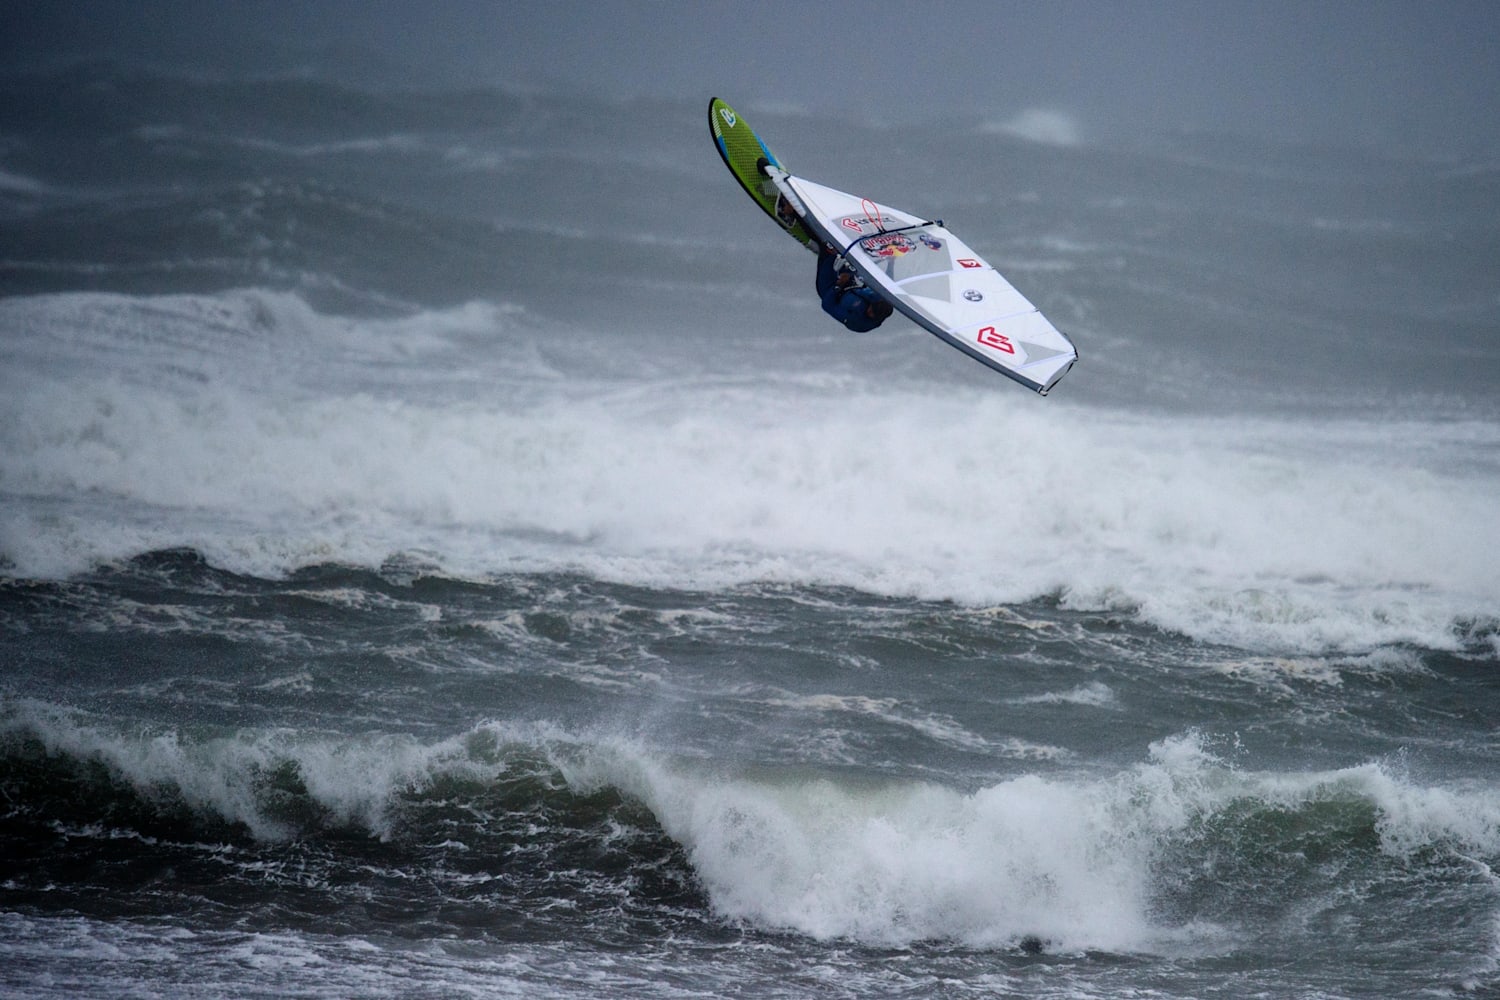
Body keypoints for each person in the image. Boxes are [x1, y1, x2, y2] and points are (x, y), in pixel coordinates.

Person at [815, 243, 894, 332]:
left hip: (829, 290)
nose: (869, 312)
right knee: (846, 252)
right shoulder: (880, 301)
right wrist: (891, 263)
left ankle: (815, 243)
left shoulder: (856, 321)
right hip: (850, 283)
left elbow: (827, 305)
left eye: (871, 313)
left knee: (828, 250)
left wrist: (838, 286)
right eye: (871, 308)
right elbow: (888, 284)